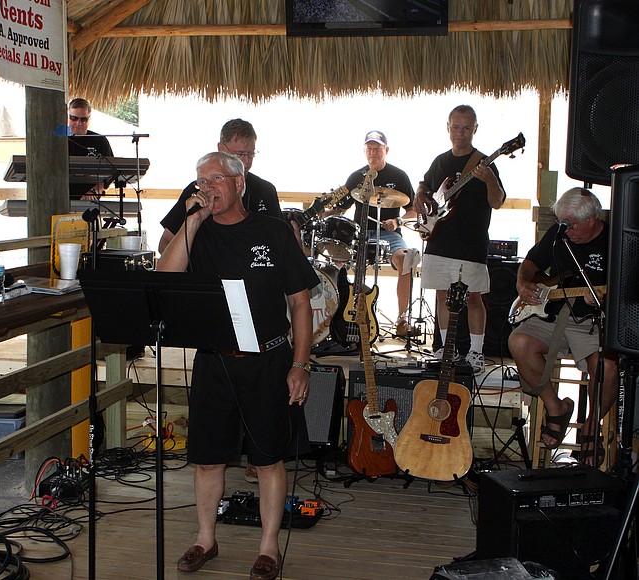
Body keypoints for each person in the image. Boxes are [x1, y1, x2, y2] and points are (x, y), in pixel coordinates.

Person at [158, 152, 317, 579]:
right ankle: (205, 539)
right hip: (214, 360)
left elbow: (301, 303)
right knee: (207, 459)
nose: (206, 187)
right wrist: (192, 221)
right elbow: (165, 278)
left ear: (239, 182)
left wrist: (300, 365)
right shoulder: (197, 232)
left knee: (266, 461)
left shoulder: (273, 231)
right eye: (201, 181)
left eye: (215, 179)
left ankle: (268, 548)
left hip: (268, 360)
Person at [508, 188, 617, 465]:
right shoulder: (559, 234)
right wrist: (523, 283)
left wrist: (605, 299)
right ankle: (556, 408)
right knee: (518, 341)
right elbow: (531, 262)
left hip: (593, 322)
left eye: (572, 225)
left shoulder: (616, 240)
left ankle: (592, 426)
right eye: (562, 224)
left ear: (592, 219)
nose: (566, 231)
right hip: (554, 316)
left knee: (607, 367)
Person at [414, 105, 506, 374]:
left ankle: (476, 352)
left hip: (471, 242)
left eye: (466, 128)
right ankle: (446, 348)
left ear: (475, 129)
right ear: (448, 128)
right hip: (439, 240)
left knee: (473, 297)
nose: (460, 133)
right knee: (442, 294)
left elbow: (497, 201)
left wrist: (489, 180)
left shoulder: (485, 163)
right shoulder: (440, 161)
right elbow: (426, 184)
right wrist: (420, 193)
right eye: (456, 127)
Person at [331, 130, 418, 337]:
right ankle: (334, 317)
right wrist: (322, 212)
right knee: (336, 262)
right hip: (359, 233)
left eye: (377, 148)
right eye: (369, 148)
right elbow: (339, 208)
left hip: (389, 234)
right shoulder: (356, 177)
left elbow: (413, 210)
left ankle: (402, 320)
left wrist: (397, 221)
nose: (373, 152)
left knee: (406, 260)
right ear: (364, 151)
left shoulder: (399, 176)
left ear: (386, 150)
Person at [158, 119, 282, 254]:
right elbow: (165, 243)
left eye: (251, 154)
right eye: (240, 154)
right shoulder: (197, 191)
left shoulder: (265, 190)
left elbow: (280, 241)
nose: (246, 161)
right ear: (221, 148)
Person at [67, 97, 114, 200]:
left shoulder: (100, 141)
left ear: (89, 118)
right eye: (74, 118)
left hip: (90, 201)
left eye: (83, 119)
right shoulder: (57, 139)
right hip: (59, 199)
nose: (78, 123)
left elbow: (111, 174)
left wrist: (96, 190)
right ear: (68, 116)